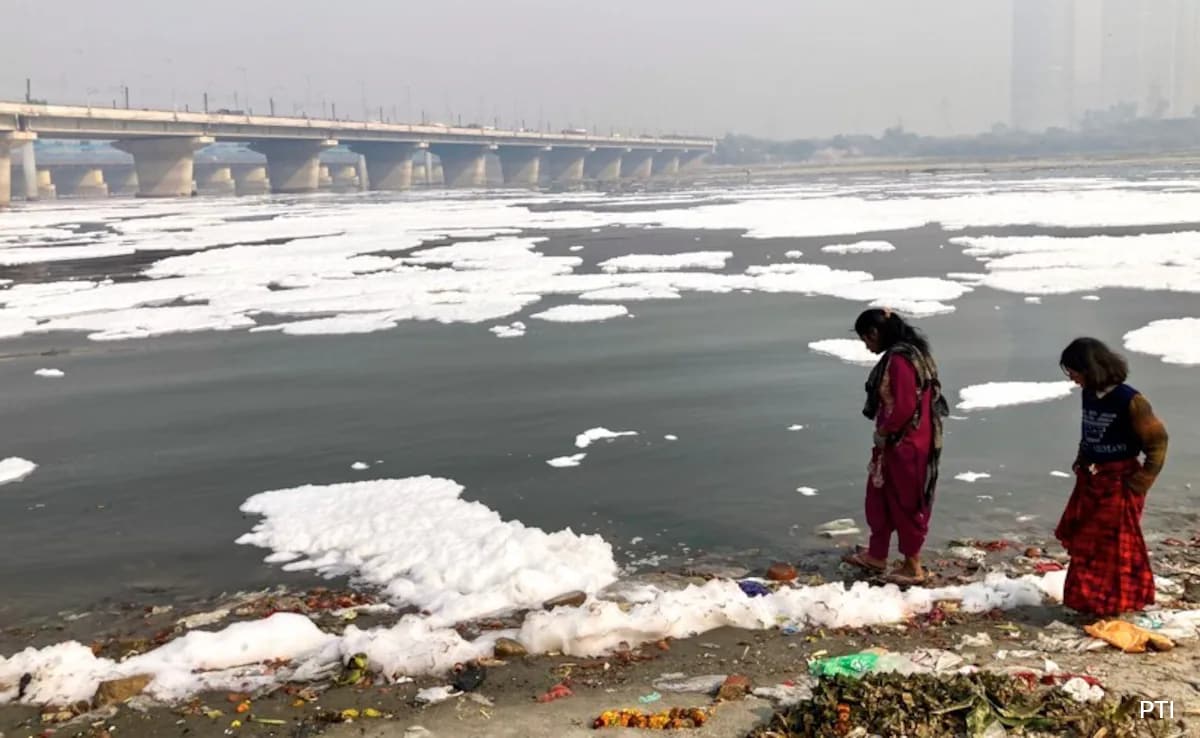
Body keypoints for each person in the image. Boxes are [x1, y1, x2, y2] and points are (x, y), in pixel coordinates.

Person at [1055, 337, 1168, 616]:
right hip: (1093, 479)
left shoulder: (1130, 400)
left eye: (1074, 373)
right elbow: (1089, 432)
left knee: (1115, 548)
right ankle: (1089, 603)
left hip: (1120, 483)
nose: (1073, 380)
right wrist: (1082, 458)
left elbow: (1158, 442)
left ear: (1090, 369)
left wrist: (1141, 482)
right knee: (1086, 541)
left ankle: (1115, 604)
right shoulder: (1089, 394)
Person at [841, 308, 949, 585]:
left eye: (866, 339)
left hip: (908, 445)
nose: (867, 346)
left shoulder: (900, 360)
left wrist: (886, 431)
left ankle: (913, 566)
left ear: (875, 333)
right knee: (880, 496)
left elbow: (904, 406)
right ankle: (877, 555)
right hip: (897, 443)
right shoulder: (912, 353)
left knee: (907, 502)